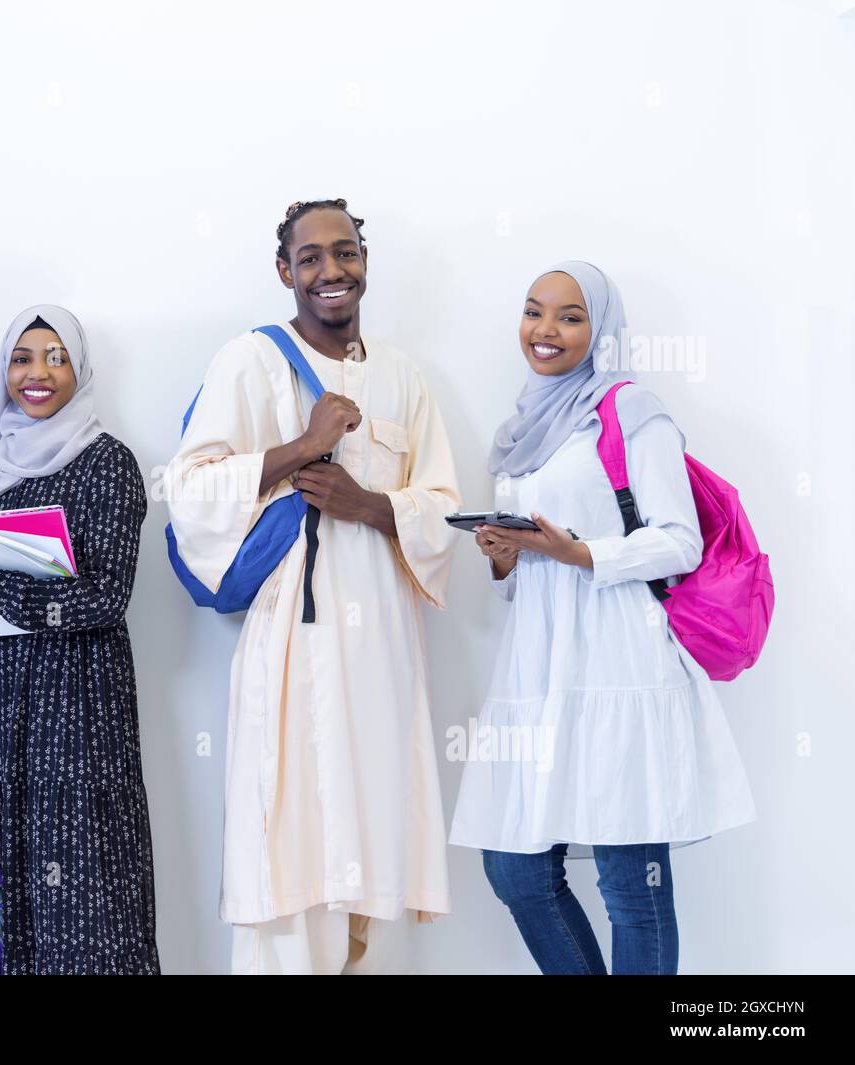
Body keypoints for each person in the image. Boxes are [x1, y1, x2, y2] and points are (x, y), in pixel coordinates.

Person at [165, 200, 461, 974]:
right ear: (284, 271)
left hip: (385, 653)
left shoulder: (402, 376)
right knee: (292, 859)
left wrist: (371, 506)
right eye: (311, 258)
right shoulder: (248, 361)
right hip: (293, 647)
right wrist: (304, 446)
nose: (331, 271)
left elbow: (442, 505)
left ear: (366, 257)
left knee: (371, 861)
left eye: (346, 252)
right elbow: (188, 490)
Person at [448, 261, 756, 975]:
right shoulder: (521, 427)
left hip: (621, 663)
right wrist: (504, 557)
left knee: (630, 886)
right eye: (533, 311)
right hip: (539, 666)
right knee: (515, 869)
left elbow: (679, 539)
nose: (545, 330)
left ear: (602, 329)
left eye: (569, 316)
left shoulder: (630, 410)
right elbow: (523, 580)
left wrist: (579, 551)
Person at [0, 304, 160, 974]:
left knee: (94, 896)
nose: (37, 373)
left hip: (80, 715)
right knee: (9, 900)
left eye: (55, 356)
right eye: (22, 358)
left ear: (80, 368)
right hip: (1, 720)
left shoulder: (108, 464)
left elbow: (104, 597)